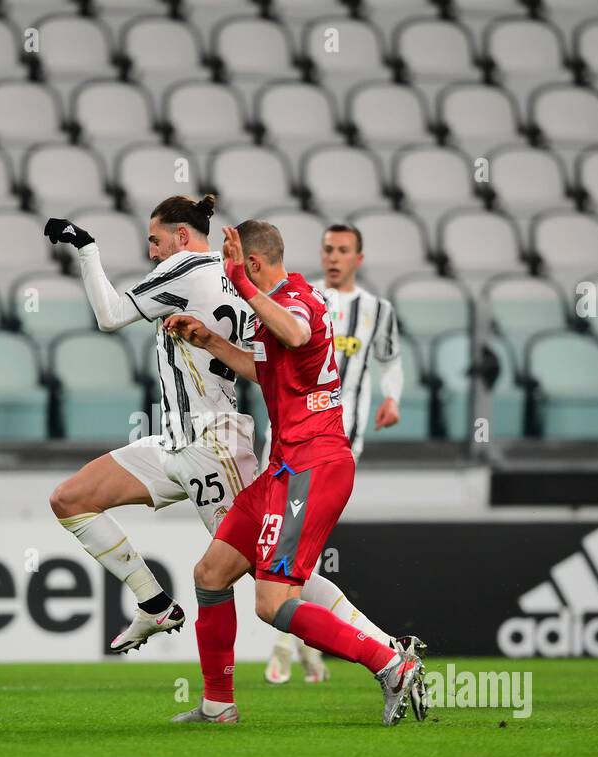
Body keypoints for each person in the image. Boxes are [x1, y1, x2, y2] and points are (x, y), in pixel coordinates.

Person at [43, 197, 406, 657]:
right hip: (175, 438)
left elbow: (110, 315)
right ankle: (154, 602)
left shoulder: (187, 267)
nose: (152, 253)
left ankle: (385, 645)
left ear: (181, 236)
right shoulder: (234, 273)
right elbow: (265, 355)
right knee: (71, 499)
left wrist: (87, 248)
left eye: (155, 241)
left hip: (214, 443)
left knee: (266, 573)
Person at [165, 221, 427, 726]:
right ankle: (218, 704)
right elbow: (266, 367)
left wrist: (239, 283)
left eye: (233, 262)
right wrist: (210, 342)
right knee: (211, 574)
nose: (227, 270)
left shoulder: (298, 302)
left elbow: (298, 331)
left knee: (273, 603)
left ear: (253, 264)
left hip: (314, 464)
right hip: (284, 466)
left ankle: (391, 664)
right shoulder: (276, 311)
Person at [262, 223, 405, 685]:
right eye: (327, 249)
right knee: (297, 546)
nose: (334, 257)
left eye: (343, 250)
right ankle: (300, 645)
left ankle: (292, 644)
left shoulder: (376, 310)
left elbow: (391, 360)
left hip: (338, 441)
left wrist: (392, 398)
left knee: (301, 545)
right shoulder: (301, 301)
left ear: (358, 258)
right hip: (289, 438)